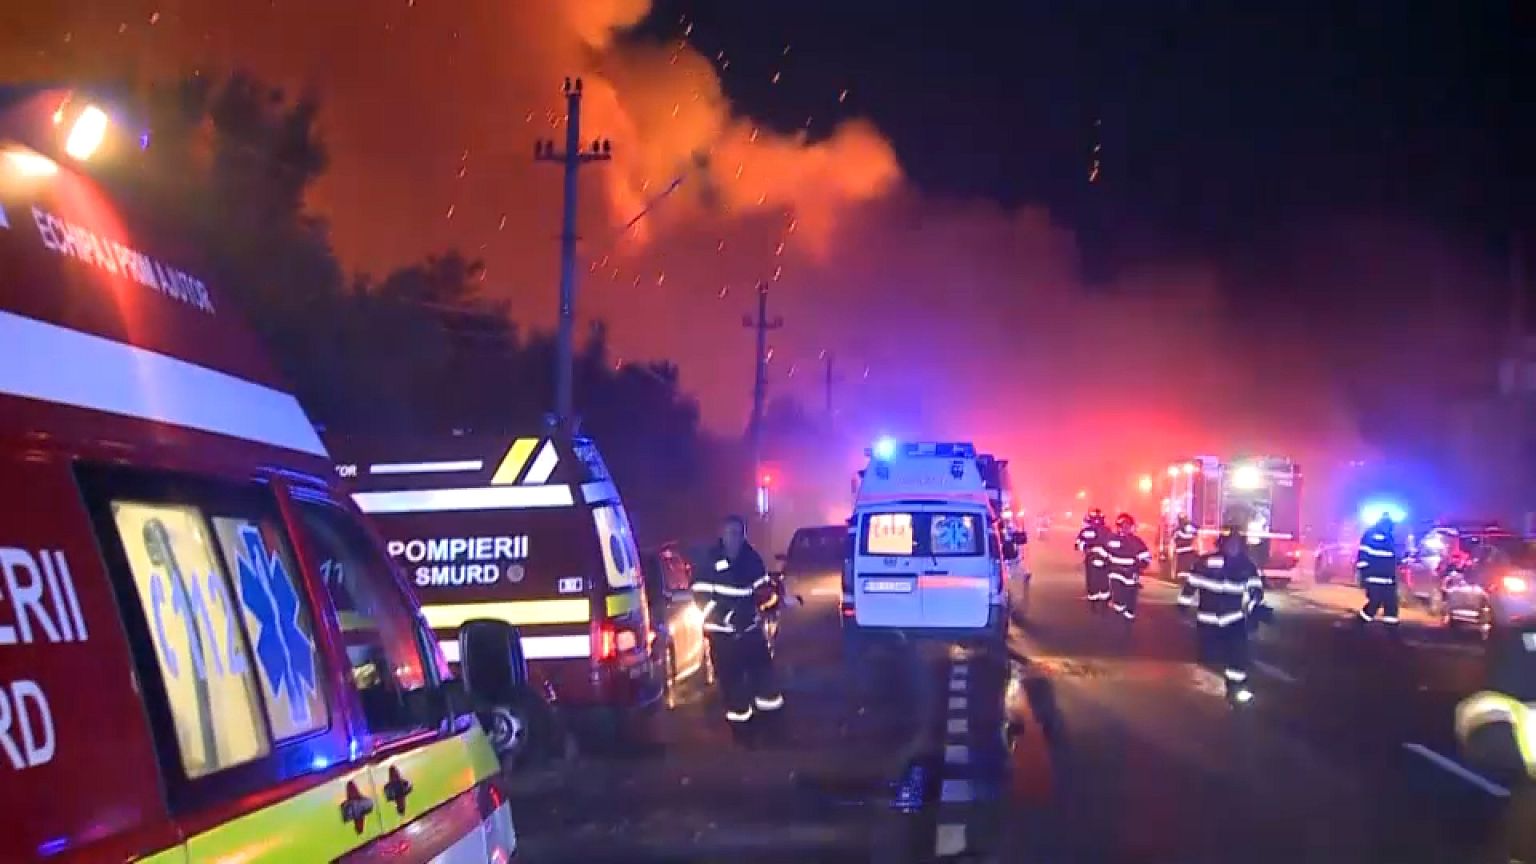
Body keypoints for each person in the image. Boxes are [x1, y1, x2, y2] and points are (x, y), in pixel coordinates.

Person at [692, 515, 784, 743]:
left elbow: (763, 592)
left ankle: (772, 728)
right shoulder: (709, 561)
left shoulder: (752, 559)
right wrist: (726, 617)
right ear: (722, 535)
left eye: (739, 533)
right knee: (732, 684)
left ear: (744, 536)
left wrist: (768, 602)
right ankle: (743, 733)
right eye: (730, 533)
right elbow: (701, 596)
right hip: (722, 636)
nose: (735, 538)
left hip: (750, 630)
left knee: (764, 679)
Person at [1190, 525, 1265, 704]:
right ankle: (1228, 685)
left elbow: (1256, 587)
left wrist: (1254, 604)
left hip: (1233, 617)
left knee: (1238, 653)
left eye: (1237, 544)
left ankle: (1236, 689)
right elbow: (1192, 581)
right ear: (1222, 544)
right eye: (1231, 544)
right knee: (1214, 656)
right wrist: (1184, 603)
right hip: (1209, 619)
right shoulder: (1207, 562)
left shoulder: (1246, 566)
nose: (1233, 547)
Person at [1101, 513, 1152, 623]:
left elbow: (1146, 557)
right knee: (1118, 594)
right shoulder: (1111, 539)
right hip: (1115, 572)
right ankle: (1120, 611)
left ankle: (1129, 614)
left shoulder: (1136, 541)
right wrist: (1104, 564)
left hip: (1131, 573)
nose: (1124, 528)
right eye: (1122, 526)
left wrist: (1139, 567)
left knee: (1131, 595)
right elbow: (1104, 553)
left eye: (1127, 526)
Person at [1355, 513, 1401, 633]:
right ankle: (1357, 625)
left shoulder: (1390, 537)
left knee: (1391, 606)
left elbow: (1394, 558)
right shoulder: (1372, 535)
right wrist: (1364, 577)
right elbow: (1363, 556)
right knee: (1375, 603)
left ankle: (1391, 633)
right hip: (1374, 578)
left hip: (1387, 580)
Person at [1076, 509, 1111, 607]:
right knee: (1104, 576)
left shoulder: (1085, 531)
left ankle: (1093, 596)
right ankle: (1104, 597)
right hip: (1105, 557)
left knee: (1091, 576)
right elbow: (1112, 544)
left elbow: (1078, 544)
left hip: (1091, 556)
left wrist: (1086, 549)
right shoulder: (1107, 530)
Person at [1172, 514, 1201, 611]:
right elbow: (1191, 534)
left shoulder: (1181, 530)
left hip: (1187, 554)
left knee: (1186, 573)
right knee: (1184, 573)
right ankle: (1185, 588)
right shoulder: (1180, 531)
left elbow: (1195, 532)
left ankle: (1185, 588)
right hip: (1185, 554)